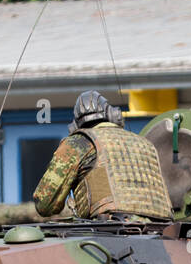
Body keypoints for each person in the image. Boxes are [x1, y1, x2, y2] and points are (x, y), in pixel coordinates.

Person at [33, 90, 172, 222]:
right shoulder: (146, 144)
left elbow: (44, 204)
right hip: (164, 233)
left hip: (110, 234)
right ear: (114, 115)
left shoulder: (78, 142)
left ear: (75, 126)